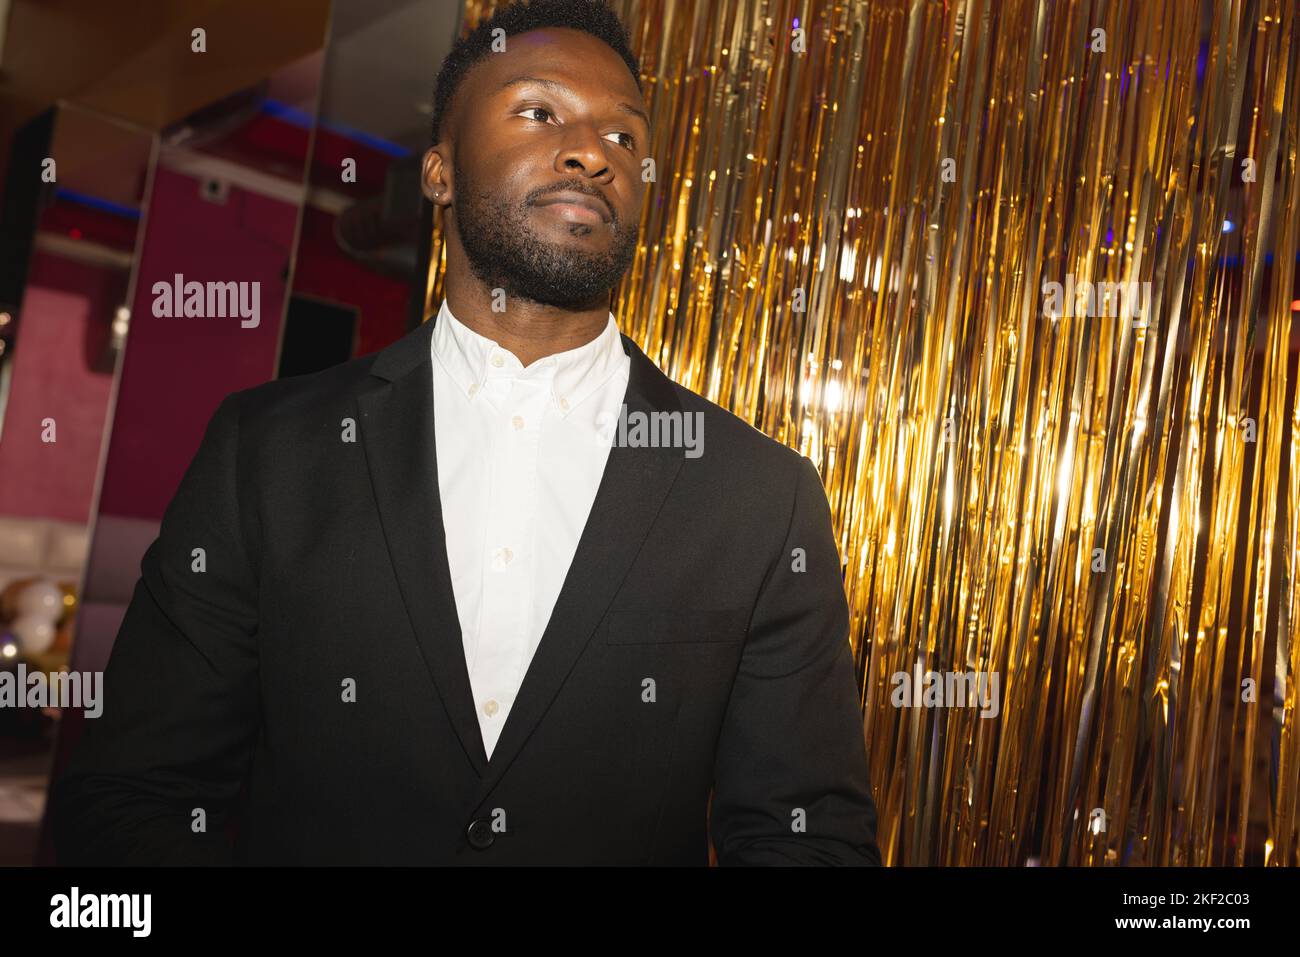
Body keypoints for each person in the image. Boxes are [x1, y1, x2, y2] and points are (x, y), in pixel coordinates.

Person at [51, 0, 882, 865]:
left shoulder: (760, 493)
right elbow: (132, 796)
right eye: (539, 111)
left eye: (626, 139)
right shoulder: (267, 450)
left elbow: (810, 838)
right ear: (439, 172)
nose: (594, 152)